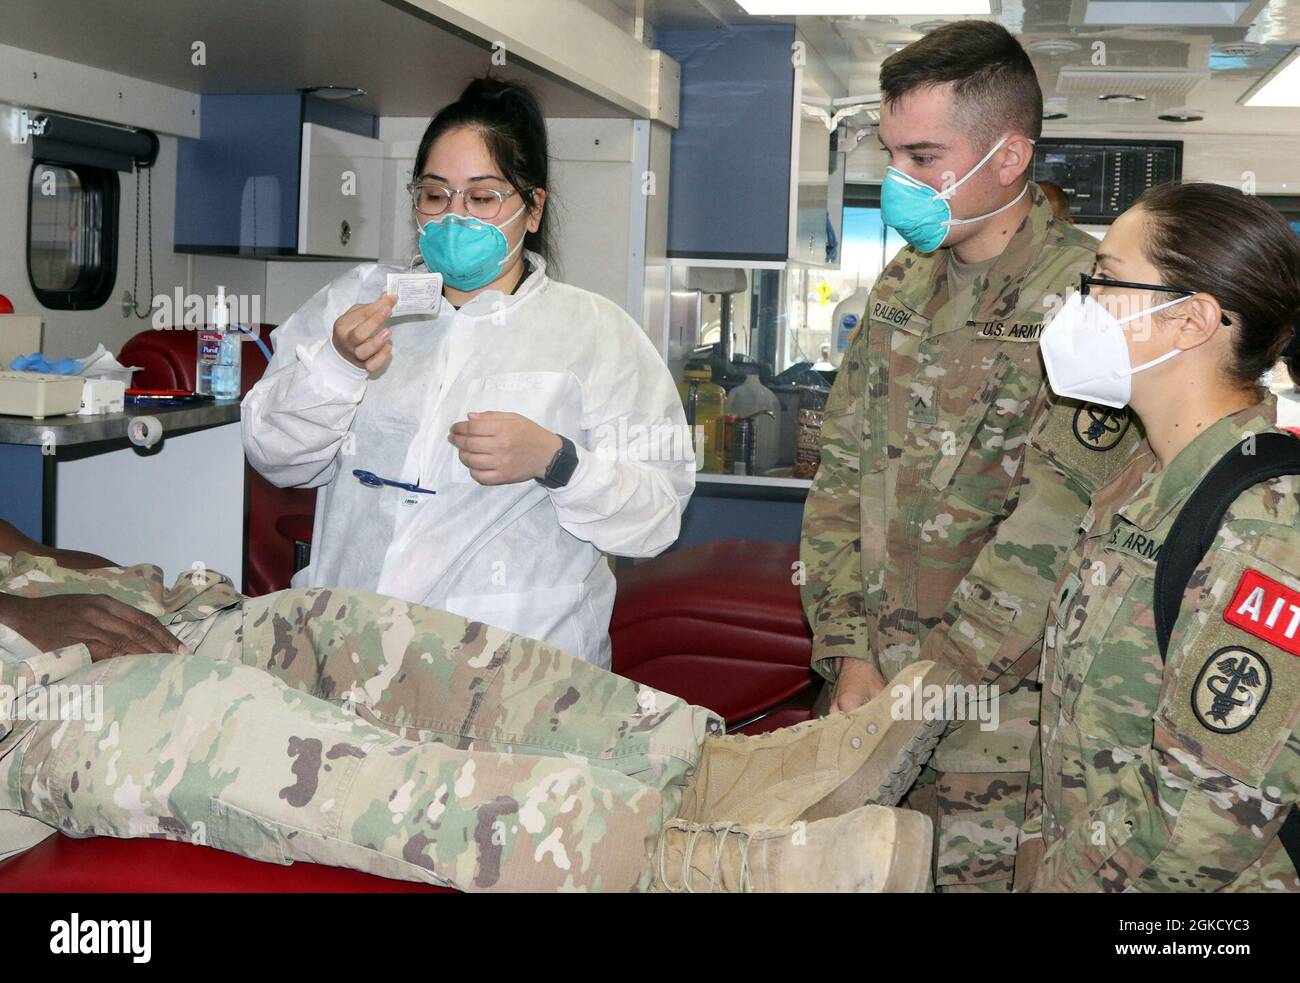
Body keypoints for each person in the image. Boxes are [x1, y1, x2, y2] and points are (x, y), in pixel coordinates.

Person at [0, 518, 949, 892]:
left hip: (146, 615)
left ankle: (731, 773)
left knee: (356, 628)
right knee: (235, 727)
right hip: (27, 702)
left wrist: (94, 580)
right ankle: (690, 866)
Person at [800, 21, 1142, 891]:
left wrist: (932, 687)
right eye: (892, 154)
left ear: (1009, 156)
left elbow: (1058, 524)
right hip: (867, 697)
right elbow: (839, 468)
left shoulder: (1087, 305)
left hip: (996, 726)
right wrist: (849, 652)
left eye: (924, 156)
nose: (899, 181)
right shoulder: (902, 283)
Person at [243, 77, 689, 670]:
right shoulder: (355, 304)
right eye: (435, 195)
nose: (454, 218)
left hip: (513, 669)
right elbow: (274, 456)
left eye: (482, 198)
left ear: (533, 209)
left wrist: (557, 462)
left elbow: (655, 518)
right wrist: (336, 369)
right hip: (346, 644)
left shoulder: (596, 333)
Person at [1014, 182, 1300, 891]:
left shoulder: (1265, 522)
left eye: (1105, 279)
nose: (1079, 303)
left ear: (1192, 320)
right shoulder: (1141, 474)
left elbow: (1205, 812)